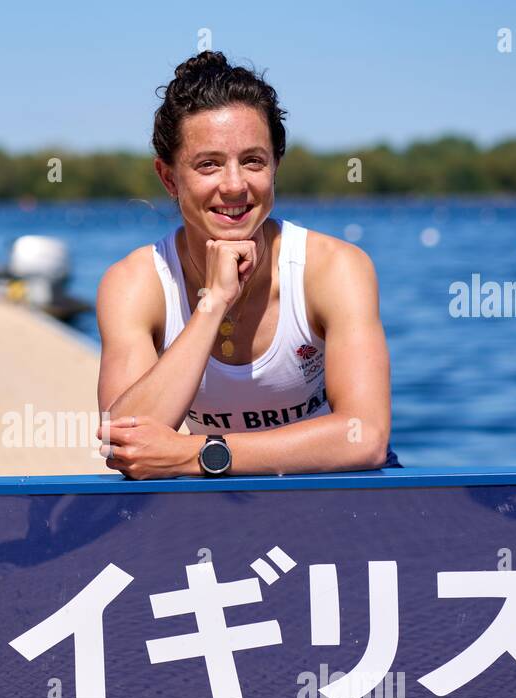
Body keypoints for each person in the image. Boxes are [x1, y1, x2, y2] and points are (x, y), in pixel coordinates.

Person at [95, 52, 400, 478]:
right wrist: (213, 303)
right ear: (168, 178)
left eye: (253, 161)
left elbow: (365, 437)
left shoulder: (336, 269)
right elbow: (122, 442)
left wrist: (198, 454)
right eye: (209, 164)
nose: (235, 185)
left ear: (275, 167)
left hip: (334, 498)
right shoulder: (135, 282)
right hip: (218, 504)